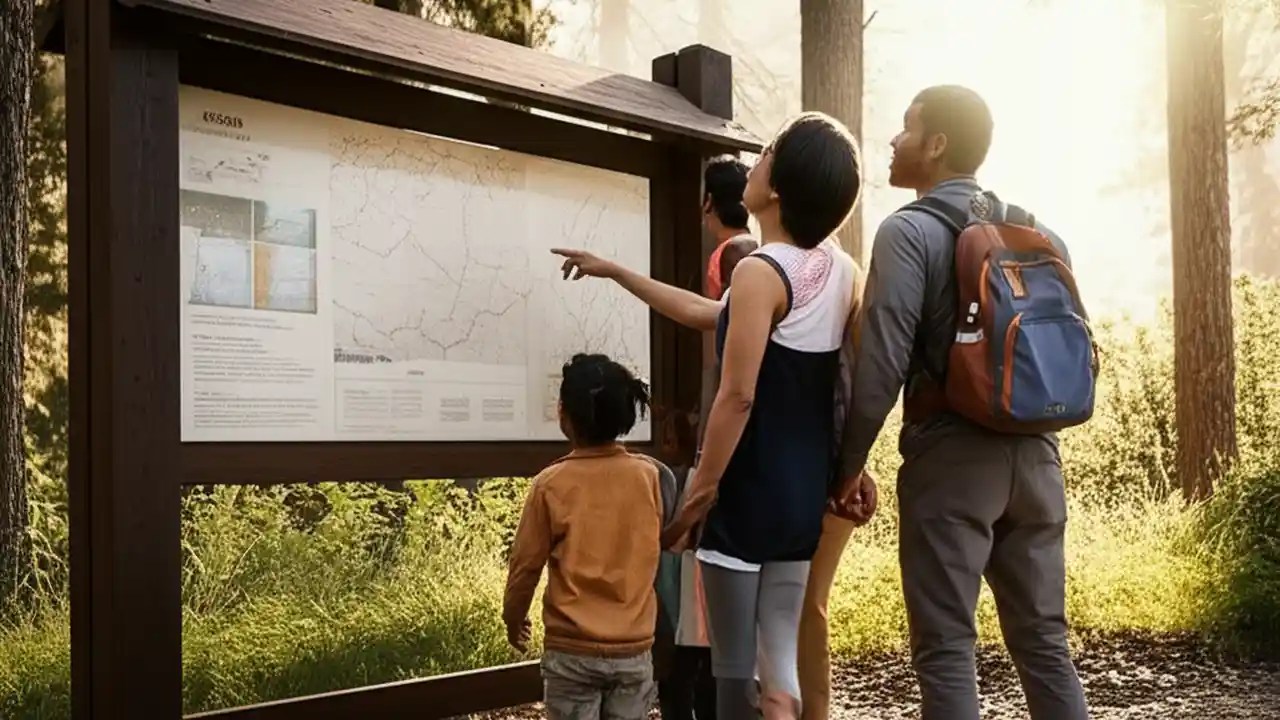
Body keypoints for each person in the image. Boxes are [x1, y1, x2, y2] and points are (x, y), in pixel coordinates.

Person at [553, 110, 863, 720]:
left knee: (730, 671)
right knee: (778, 666)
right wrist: (615, 271)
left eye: (767, 151)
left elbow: (737, 396)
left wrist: (702, 488)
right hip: (801, 492)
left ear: (776, 188)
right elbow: (709, 313)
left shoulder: (758, 271)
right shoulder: (840, 271)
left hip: (744, 490)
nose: (754, 163)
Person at [832, 85, 1090, 720]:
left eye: (906, 128)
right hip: (1037, 459)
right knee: (1046, 644)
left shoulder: (909, 232)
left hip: (951, 460)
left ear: (937, 145)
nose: (894, 141)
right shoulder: (1037, 229)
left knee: (947, 648)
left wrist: (845, 466)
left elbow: (883, 364)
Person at [503, 353, 663, 720]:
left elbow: (525, 564)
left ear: (564, 414)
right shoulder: (647, 476)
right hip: (633, 650)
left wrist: (514, 616)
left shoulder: (550, 484)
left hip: (572, 650)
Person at [657, 156, 757, 720]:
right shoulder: (746, 255)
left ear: (706, 203)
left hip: (719, 443)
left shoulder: (735, 254)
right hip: (719, 433)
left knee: (696, 592)